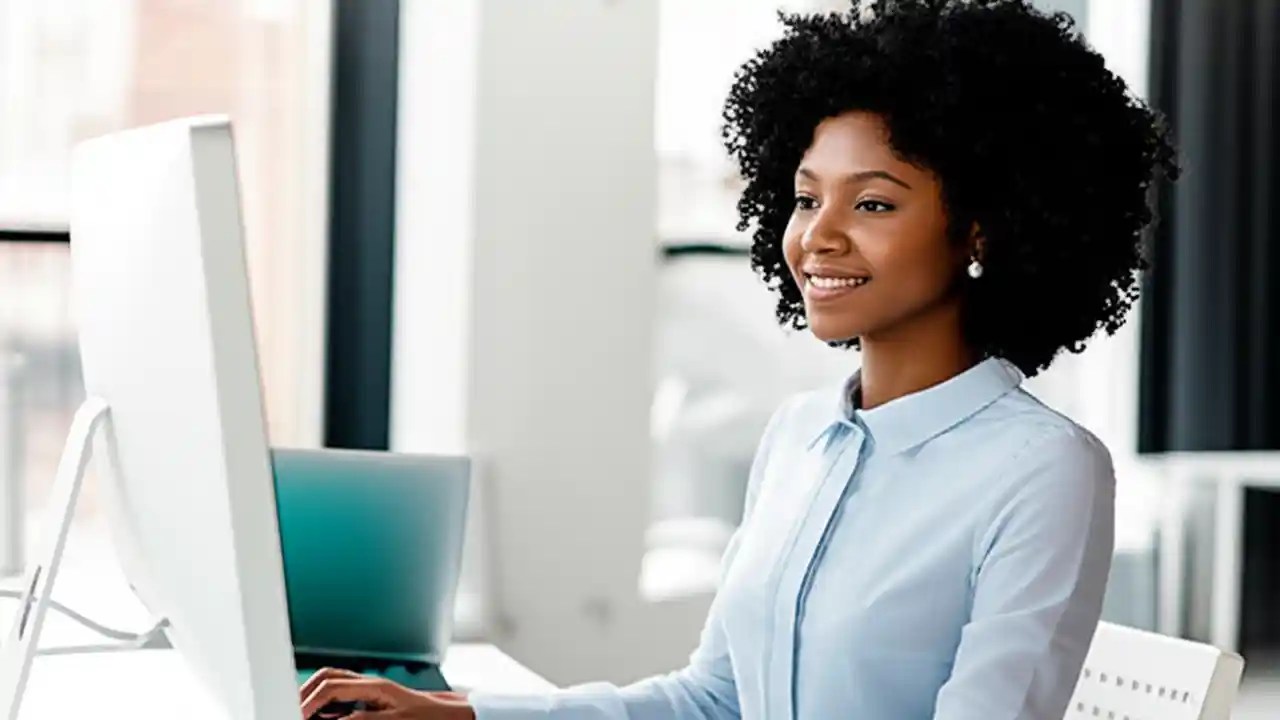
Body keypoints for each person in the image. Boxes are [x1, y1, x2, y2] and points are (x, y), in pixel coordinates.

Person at [299, 0, 1178, 717]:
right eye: (804, 198)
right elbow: (714, 697)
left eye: (872, 204)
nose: (817, 237)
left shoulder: (1042, 470)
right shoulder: (799, 437)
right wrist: (463, 712)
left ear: (983, 230)